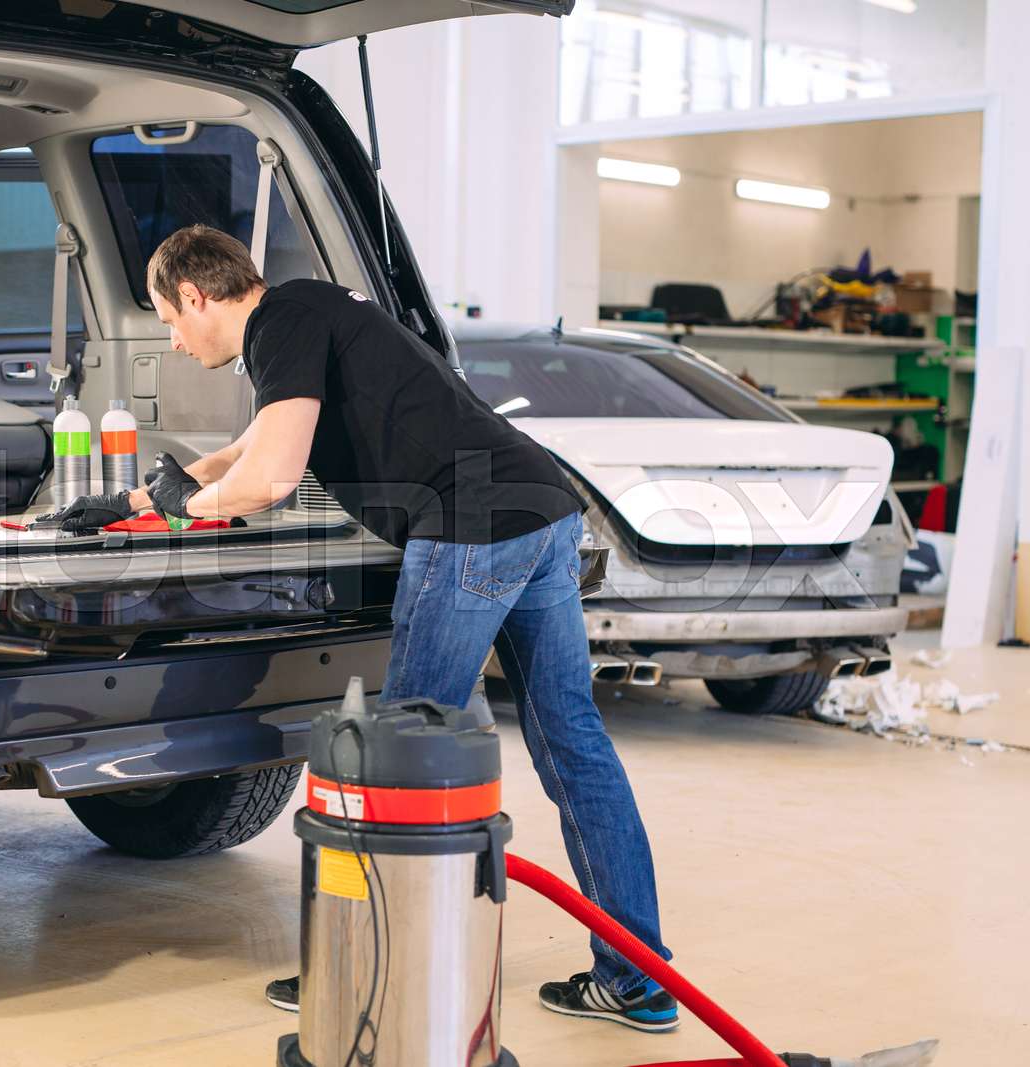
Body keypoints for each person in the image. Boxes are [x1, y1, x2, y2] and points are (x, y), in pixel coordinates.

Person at [50, 225, 678, 1033]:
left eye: (170, 319)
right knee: (574, 746)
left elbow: (269, 479)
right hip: (541, 509)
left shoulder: (280, 324)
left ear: (198, 296)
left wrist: (184, 511)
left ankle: (366, 974)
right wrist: (133, 501)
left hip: (471, 528)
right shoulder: (306, 313)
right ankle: (638, 979)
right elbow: (245, 450)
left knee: (397, 759)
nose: (172, 340)